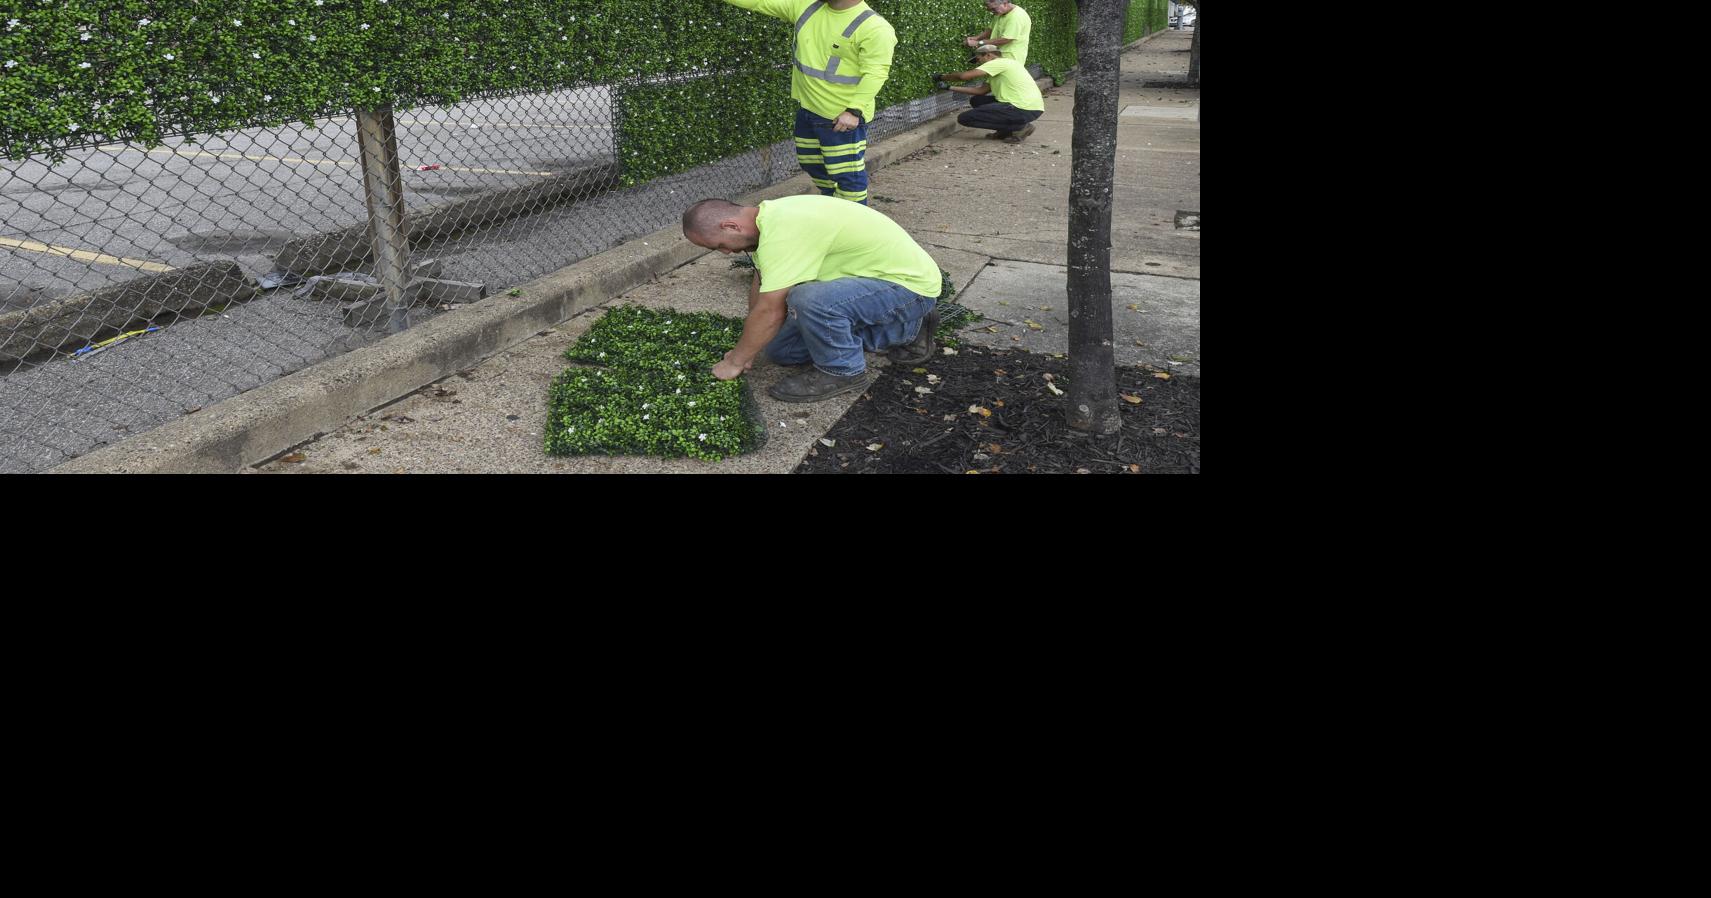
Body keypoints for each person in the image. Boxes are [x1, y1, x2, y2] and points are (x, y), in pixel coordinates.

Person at [681, 195, 942, 402]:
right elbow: (763, 284)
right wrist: (750, 347)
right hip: (867, 284)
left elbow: (771, 312)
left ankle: (843, 371)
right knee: (779, 350)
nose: (726, 253)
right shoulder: (768, 222)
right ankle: (907, 329)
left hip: (909, 288)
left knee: (809, 299)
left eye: (719, 245)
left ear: (730, 226)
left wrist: (735, 362)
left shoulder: (785, 228)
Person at [722, 0, 896, 205]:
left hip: (841, 119)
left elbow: (876, 73)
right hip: (808, 111)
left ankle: (855, 221)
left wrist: (854, 110)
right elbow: (759, 2)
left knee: (847, 176)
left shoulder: (875, 27)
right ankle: (833, 209)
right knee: (813, 166)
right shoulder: (806, 6)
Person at [938, 44, 1044, 144]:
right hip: (1029, 107)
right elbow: (980, 91)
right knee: (977, 100)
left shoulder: (998, 63)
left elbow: (963, 76)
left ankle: (1019, 127)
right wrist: (949, 87)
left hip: (1022, 108)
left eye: (979, 59)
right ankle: (1005, 132)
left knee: (965, 118)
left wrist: (941, 77)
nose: (979, 64)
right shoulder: (1005, 66)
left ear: (988, 55)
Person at [963, 0, 1032, 67]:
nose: (992, 12)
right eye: (990, 10)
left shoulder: (1016, 17)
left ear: (1005, 3)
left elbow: (1006, 39)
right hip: (997, 54)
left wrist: (979, 42)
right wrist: (976, 38)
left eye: (993, 9)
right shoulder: (1000, 13)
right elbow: (990, 30)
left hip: (1010, 57)